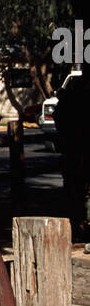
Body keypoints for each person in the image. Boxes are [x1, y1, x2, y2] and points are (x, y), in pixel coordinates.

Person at [54, 70, 90, 240]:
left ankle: (77, 226)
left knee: (74, 190)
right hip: (76, 151)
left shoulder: (71, 93)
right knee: (76, 190)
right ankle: (78, 226)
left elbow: (59, 118)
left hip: (73, 151)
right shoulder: (76, 94)